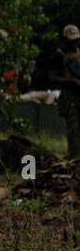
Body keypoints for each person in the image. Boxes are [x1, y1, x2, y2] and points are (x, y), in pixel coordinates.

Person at [47, 23, 80, 157]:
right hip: (69, 96)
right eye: (71, 40)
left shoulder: (78, 53)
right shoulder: (58, 55)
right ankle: (75, 157)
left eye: (76, 40)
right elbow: (52, 78)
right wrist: (72, 82)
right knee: (74, 128)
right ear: (65, 39)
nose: (74, 43)